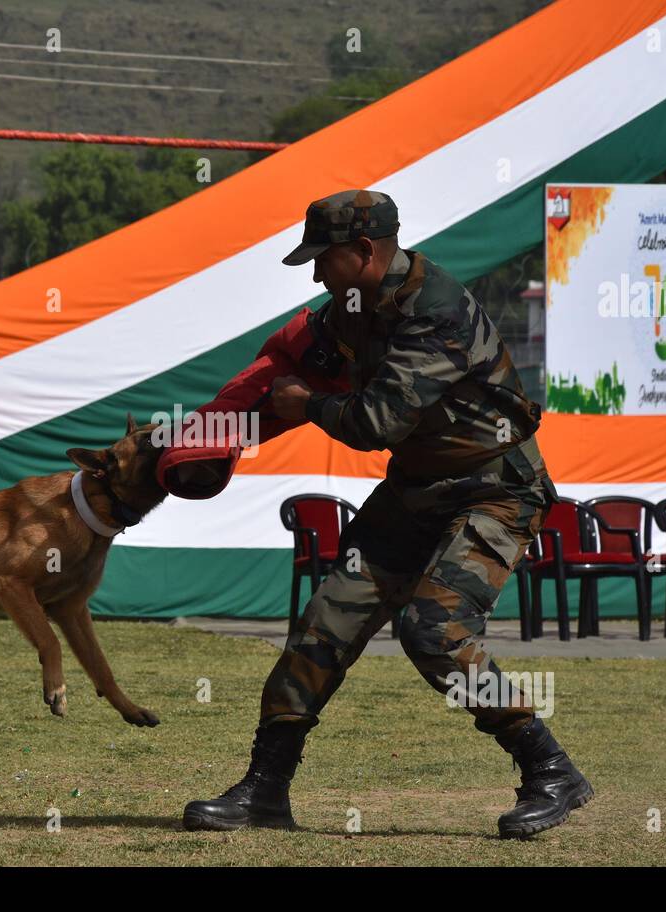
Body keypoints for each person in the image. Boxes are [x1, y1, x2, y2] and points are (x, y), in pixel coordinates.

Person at [182, 189, 592, 838]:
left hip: (495, 490)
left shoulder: (438, 311)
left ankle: (549, 770)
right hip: (416, 490)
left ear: (365, 252)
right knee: (325, 621)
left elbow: (376, 420)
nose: (316, 274)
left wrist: (304, 407)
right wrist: (209, 438)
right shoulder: (351, 303)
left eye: (325, 259)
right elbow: (296, 359)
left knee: (433, 630)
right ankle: (265, 789)